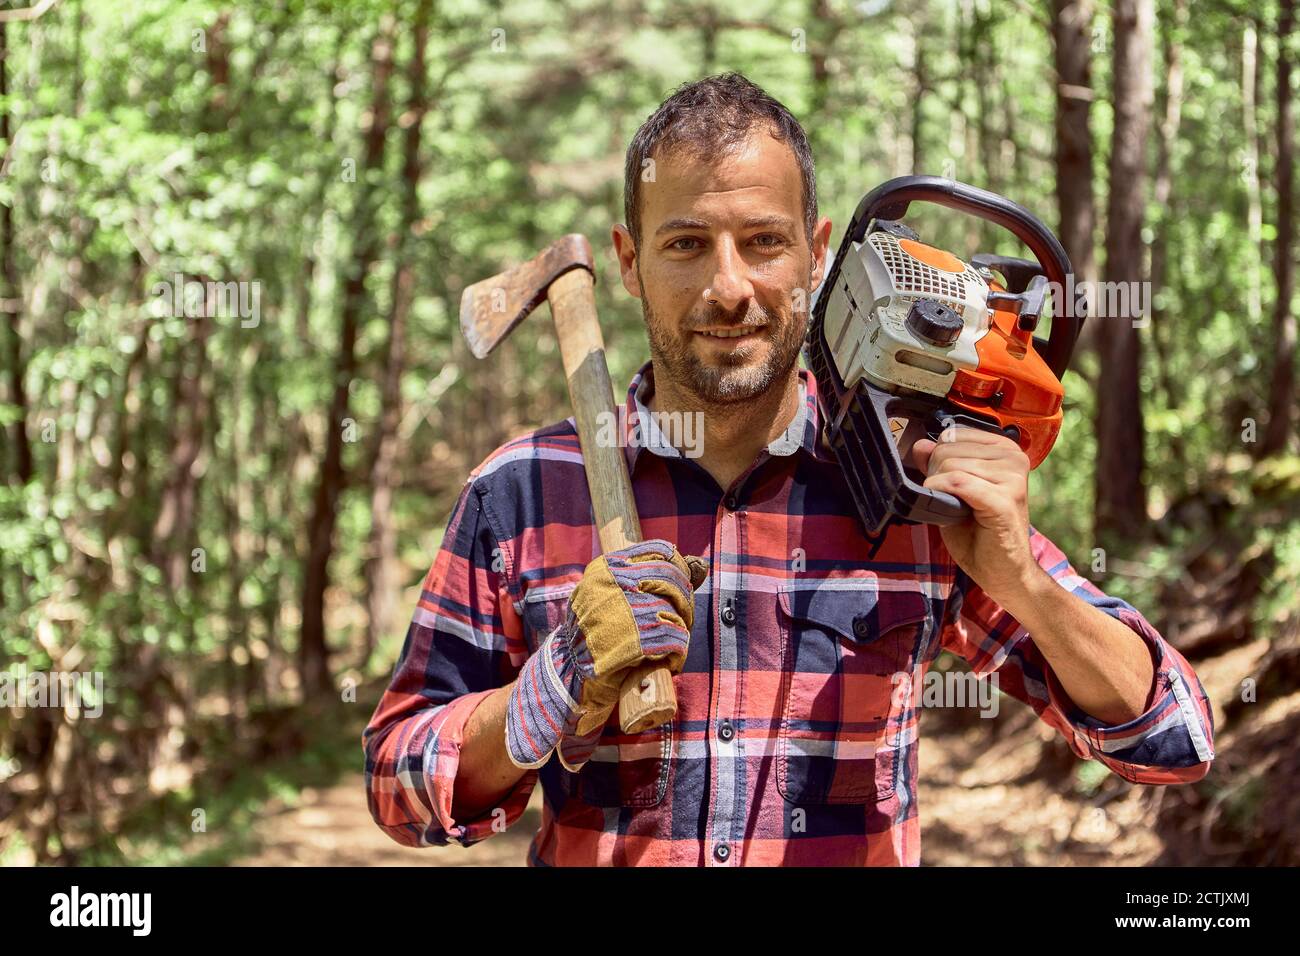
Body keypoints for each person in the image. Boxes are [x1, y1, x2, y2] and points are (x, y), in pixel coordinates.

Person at [363, 72, 1214, 866]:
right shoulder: (521, 493)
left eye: (763, 242)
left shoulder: (913, 489)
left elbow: (1173, 737)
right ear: (629, 262)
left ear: (814, 254)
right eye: (687, 244)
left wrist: (1022, 580)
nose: (729, 288)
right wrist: (543, 696)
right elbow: (396, 783)